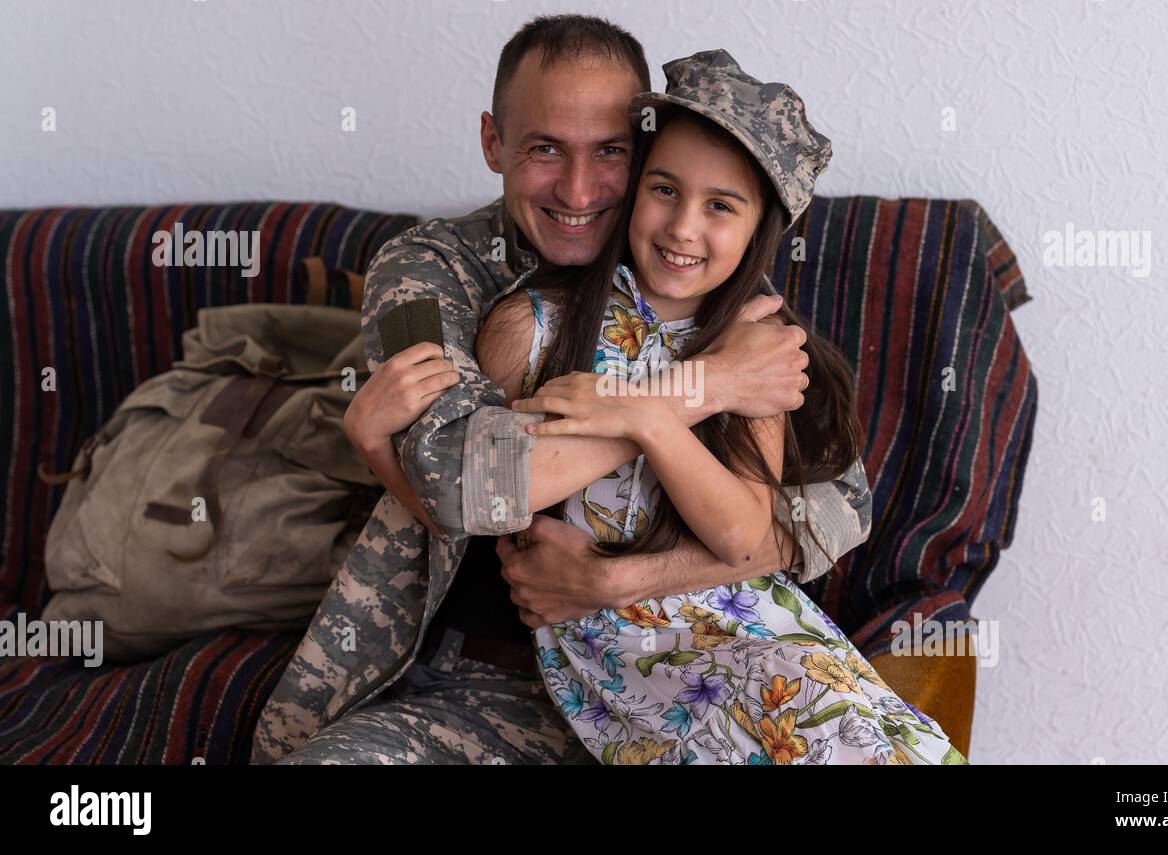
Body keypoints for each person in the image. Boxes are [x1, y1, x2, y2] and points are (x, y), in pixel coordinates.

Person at [251, 15, 873, 765]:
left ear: (643, 149)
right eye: (545, 148)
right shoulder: (429, 275)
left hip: (670, 678)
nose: (578, 190)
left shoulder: (706, 278)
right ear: (493, 142)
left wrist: (612, 579)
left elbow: (822, 516)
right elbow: (457, 484)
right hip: (475, 679)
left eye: (609, 152)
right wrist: (696, 390)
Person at [469, 50, 967, 765]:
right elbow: (491, 491)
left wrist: (646, 414)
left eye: (720, 206)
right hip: (626, 653)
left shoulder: (752, 349)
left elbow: (740, 536)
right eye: (664, 189)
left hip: (753, 627)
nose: (682, 228)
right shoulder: (535, 329)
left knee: (835, 714)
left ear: (759, 227)